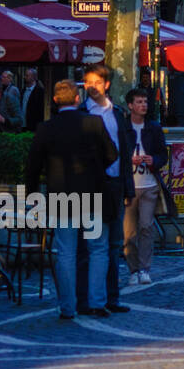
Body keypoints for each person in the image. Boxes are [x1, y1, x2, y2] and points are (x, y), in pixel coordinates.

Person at [25, 80, 116, 319]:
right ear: (77, 99)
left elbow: (33, 166)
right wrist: (96, 169)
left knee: (65, 252)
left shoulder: (46, 128)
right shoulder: (93, 123)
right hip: (93, 194)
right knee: (98, 249)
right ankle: (97, 302)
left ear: (55, 100)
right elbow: (112, 154)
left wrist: (32, 195)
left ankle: (68, 306)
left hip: (62, 197)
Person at [78, 63, 132, 314]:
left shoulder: (117, 113)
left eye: (97, 83)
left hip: (115, 185)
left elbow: (125, 152)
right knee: (90, 246)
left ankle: (112, 297)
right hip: (90, 187)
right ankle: (86, 299)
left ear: (107, 85)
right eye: (88, 82)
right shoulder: (81, 113)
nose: (92, 87)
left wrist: (127, 189)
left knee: (113, 245)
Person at [122, 87, 168, 286]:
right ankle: (133, 269)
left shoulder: (154, 128)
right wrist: (129, 160)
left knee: (146, 227)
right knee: (128, 233)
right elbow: (115, 154)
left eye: (145, 102)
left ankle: (145, 269)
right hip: (129, 185)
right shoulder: (122, 127)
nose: (143, 105)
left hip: (149, 184)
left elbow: (163, 155)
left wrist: (153, 160)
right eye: (139, 102)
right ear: (130, 105)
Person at [22, 68, 44, 135]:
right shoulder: (23, 90)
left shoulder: (40, 91)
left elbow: (40, 110)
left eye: (27, 75)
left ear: (33, 77)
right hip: (23, 125)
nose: (24, 77)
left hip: (33, 126)